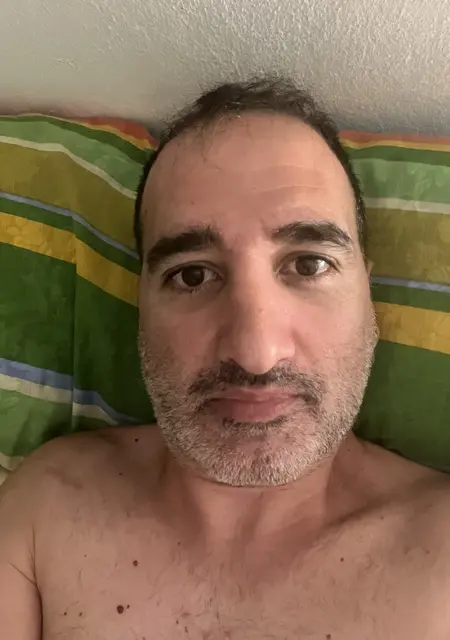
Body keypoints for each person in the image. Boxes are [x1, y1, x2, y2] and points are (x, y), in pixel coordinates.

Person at [0, 77, 448, 640]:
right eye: (192, 275)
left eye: (309, 264)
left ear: (368, 292)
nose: (256, 354)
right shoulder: (45, 514)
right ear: (141, 303)